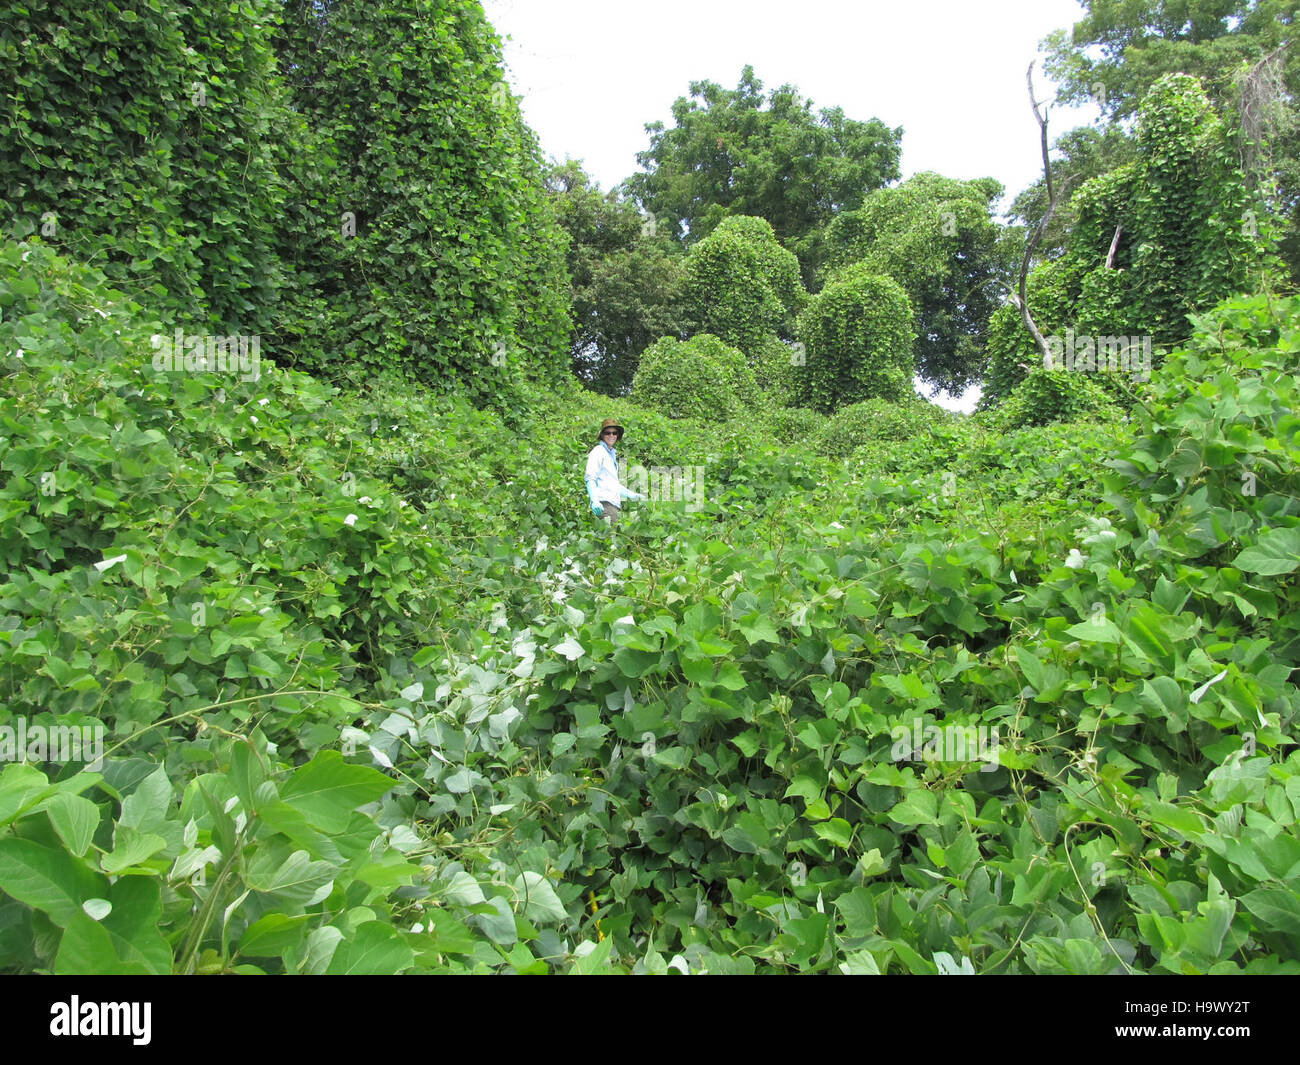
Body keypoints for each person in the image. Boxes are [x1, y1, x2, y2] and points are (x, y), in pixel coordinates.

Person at [585, 418, 644, 524]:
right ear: (602, 435)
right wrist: (594, 501)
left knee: (615, 536)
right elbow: (590, 478)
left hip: (613, 505)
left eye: (614, 433)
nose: (611, 436)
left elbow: (612, 485)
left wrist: (632, 495)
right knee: (615, 536)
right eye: (608, 433)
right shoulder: (598, 451)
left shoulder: (610, 455)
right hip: (604, 504)